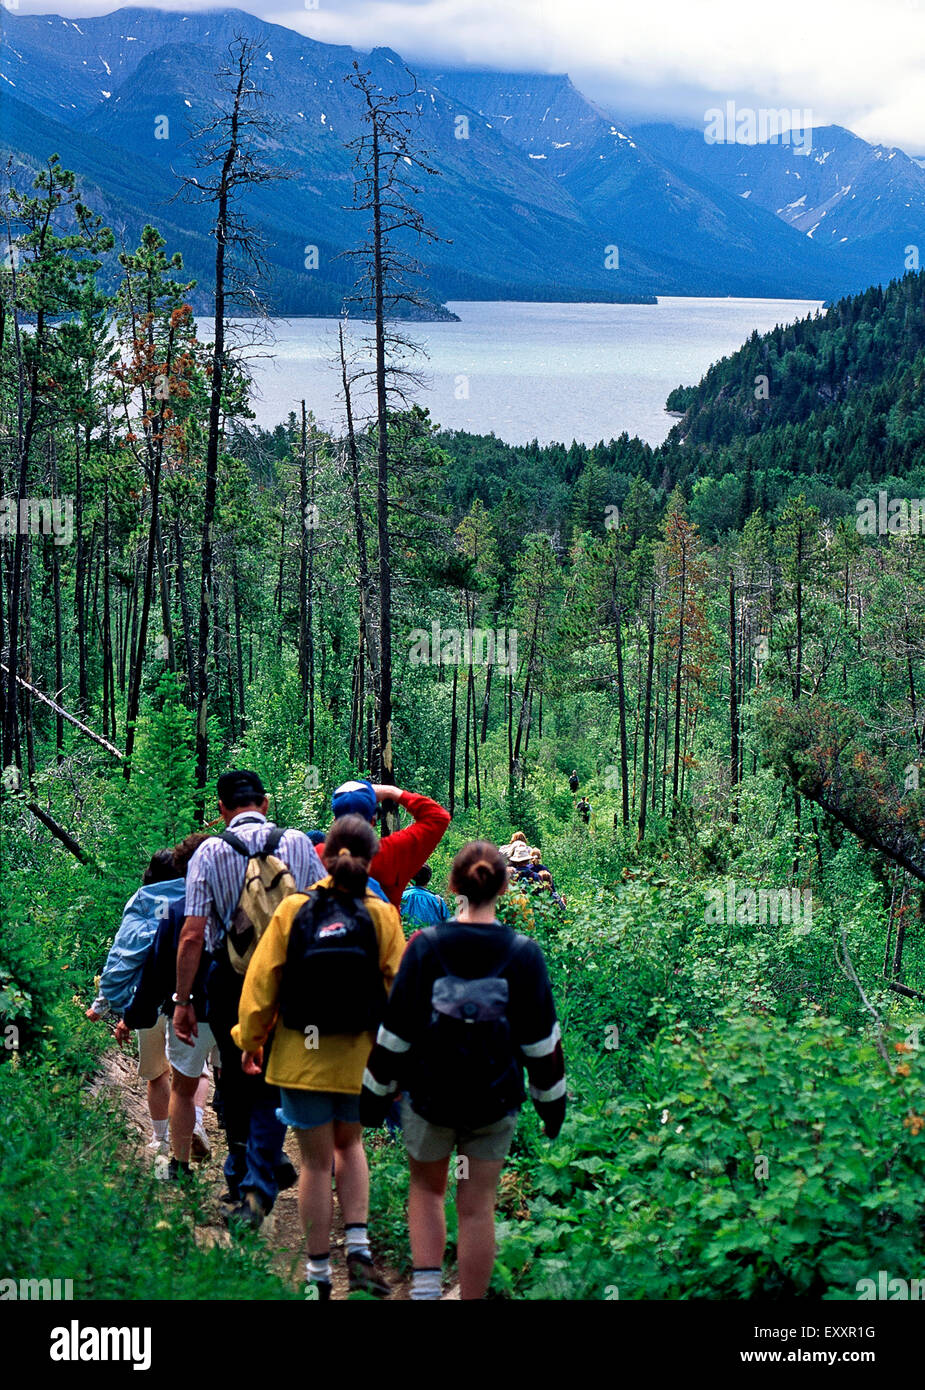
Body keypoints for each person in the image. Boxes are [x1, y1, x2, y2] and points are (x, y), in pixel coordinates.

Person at [361, 840, 566, 1301]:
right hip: (493, 1102)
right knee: (477, 1208)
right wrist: (552, 1106)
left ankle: (428, 1291)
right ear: (505, 883)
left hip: (430, 1098)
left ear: (452, 884)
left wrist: (374, 1096)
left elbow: (397, 1030)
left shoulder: (426, 946)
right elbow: (542, 1041)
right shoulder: (523, 953)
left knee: (428, 1191)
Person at [233, 815, 405, 1299]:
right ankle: (359, 1249)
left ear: (322, 855)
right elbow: (398, 989)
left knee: (313, 1163)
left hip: (300, 1057)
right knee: (351, 1148)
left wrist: (250, 1040)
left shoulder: (294, 910)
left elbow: (262, 983)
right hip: (360, 1058)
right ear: (372, 860)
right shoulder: (381, 914)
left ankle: (316, 1277)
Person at [174, 769, 326, 1228]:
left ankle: (249, 1180)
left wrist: (183, 999)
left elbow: (192, 935)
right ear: (263, 801)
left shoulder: (209, 852)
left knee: (237, 1076)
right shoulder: (298, 842)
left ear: (222, 809)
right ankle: (257, 1173)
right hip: (291, 979)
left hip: (232, 982)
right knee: (273, 1075)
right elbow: (326, 905)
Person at [87, 845, 210, 1162]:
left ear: (151, 873)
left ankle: (161, 1140)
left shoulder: (144, 903)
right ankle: (195, 1122)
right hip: (194, 1000)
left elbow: (123, 958)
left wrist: (103, 1004)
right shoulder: (200, 899)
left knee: (157, 1074)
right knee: (196, 1070)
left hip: (149, 1000)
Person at [123, 833, 215, 1181]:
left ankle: (172, 1155)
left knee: (174, 1080)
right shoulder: (235, 901)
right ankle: (230, 1147)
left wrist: (130, 1012)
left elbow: (144, 963)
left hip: (178, 1006)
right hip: (227, 1008)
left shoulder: (165, 909)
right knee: (217, 1076)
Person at [330, 779, 450, 910]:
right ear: (373, 820)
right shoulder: (391, 853)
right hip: (382, 928)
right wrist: (392, 792)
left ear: (335, 821)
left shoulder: (318, 855)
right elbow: (438, 817)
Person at [400, 865, 450, 929]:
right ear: (428, 880)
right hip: (431, 938)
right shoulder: (438, 900)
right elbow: (447, 926)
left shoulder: (400, 898)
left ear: (410, 879)